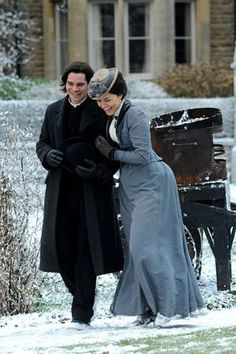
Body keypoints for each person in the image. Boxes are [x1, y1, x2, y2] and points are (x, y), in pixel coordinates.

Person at [88, 67, 205, 327]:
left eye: (107, 99)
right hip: (132, 186)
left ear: (120, 95)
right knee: (136, 249)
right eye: (99, 100)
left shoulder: (135, 115)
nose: (103, 104)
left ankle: (170, 309)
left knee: (148, 248)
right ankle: (149, 309)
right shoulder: (114, 118)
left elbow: (141, 155)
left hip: (152, 182)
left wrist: (110, 153)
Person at [36, 61, 123, 328]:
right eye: (71, 84)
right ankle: (83, 296)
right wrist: (47, 155)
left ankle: (81, 313)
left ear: (89, 85)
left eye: (81, 85)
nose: (75, 89)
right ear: (65, 84)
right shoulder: (53, 111)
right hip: (60, 190)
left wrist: (98, 171)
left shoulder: (102, 111)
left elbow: (114, 151)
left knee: (86, 249)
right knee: (62, 250)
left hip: (90, 191)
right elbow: (42, 143)